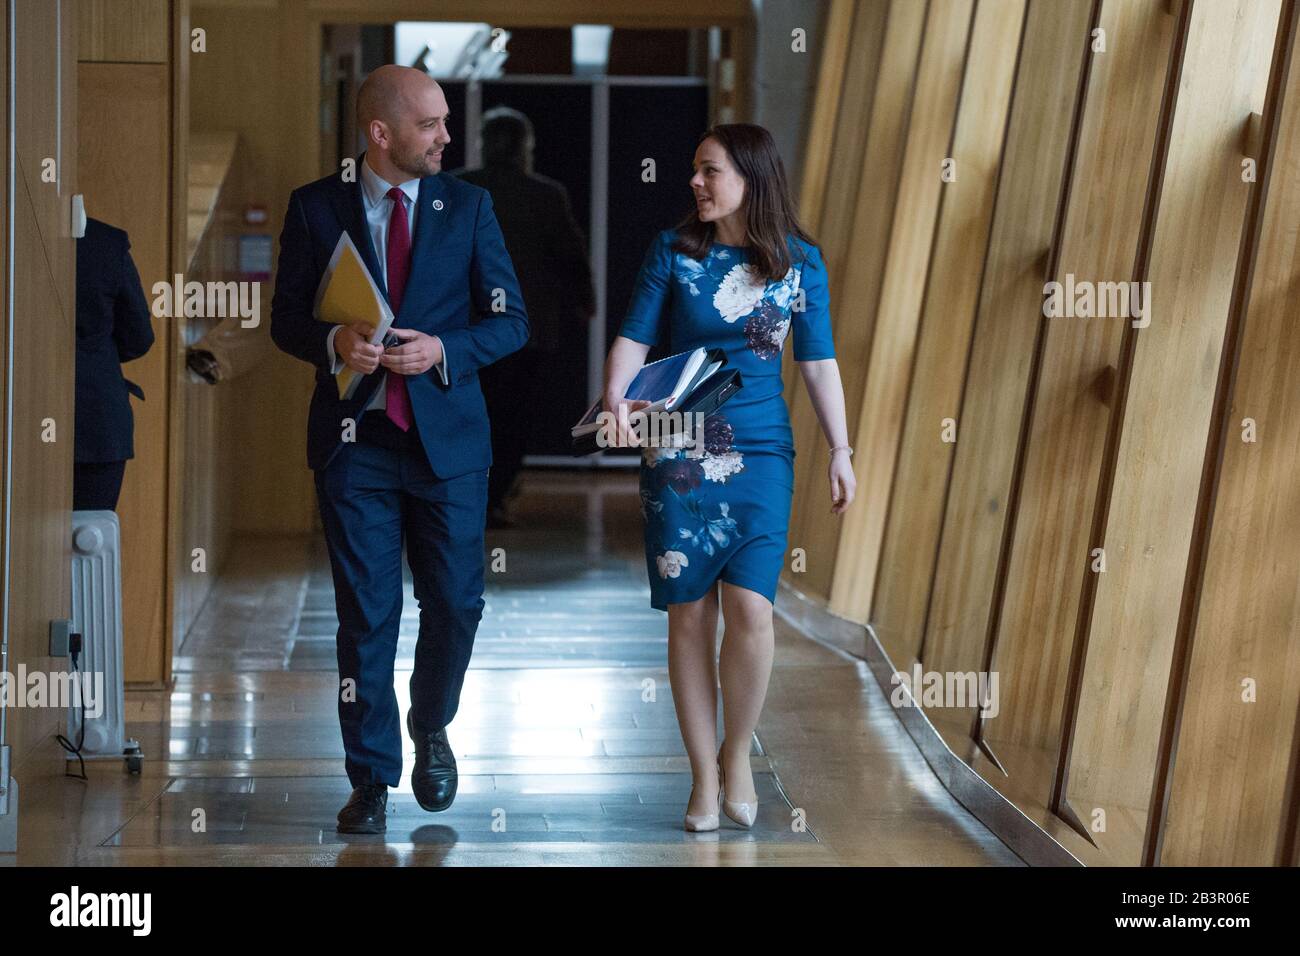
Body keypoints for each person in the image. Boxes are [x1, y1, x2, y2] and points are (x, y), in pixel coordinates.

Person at [270, 65, 529, 834]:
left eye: (447, 121)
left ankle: (431, 726)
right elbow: (286, 318)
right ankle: (373, 777)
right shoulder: (316, 207)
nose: (448, 136)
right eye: (431, 125)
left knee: (455, 603)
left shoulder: (470, 207)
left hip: (447, 446)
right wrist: (333, 339)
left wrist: (443, 348)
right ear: (380, 135)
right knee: (366, 617)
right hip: (356, 446)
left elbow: (511, 321)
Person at [601, 123, 856, 832]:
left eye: (710, 171)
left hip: (762, 450)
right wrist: (617, 403)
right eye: (694, 169)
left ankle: (737, 754)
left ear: (751, 178)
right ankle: (701, 778)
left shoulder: (799, 261)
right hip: (678, 447)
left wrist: (841, 449)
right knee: (690, 612)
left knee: (751, 610)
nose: (696, 182)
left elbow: (817, 360)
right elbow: (634, 336)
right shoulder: (674, 251)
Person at [451, 107, 595, 527]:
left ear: (482, 143)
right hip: (525, 329)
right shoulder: (546, 194)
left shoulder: (459, 188)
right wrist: (584, 300)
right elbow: (571, 255)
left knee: (467, 413)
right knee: (513, 415)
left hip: (467, 327)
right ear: (525, 148)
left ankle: (465, 496)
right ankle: (495, 497)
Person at [74, 217, 155, 511]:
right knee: (88, 542)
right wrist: (95, 356)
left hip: (18, 415)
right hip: (96, 421)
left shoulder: (12, 238)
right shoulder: (105, 241)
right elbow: (139, 336)